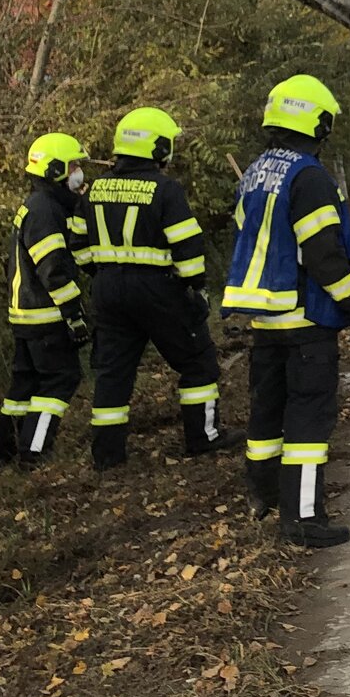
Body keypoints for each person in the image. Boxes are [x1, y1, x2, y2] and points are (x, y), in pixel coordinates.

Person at [223, 74, 350, 548]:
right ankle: (304, 517)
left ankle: (264, 499)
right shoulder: (308, 177)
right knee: (309, 421)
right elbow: (323, 255)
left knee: (266, 415)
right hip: (306, 318)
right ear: (317, 122)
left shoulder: (255, 171)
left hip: (265, 318)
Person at [86, 106, 232, 468]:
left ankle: (107, 456)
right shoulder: (164, 189)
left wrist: (102, 277)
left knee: (113, 373)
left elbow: (78, 242)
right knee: (197, 362)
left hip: (106, 289)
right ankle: (203, 437)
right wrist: (195, 290)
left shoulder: (96, 189)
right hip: (156, 291)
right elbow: (187, 245)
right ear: (156, 147)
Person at [0, 132, 93, 468]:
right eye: (73, 165)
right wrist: (74, 314)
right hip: (45, 315)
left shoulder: (40, 204)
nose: (79, 172)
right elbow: (53, 269)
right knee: (59, 381)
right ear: (55, 171)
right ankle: (34, 453)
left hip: (26, 314)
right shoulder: (44, 211)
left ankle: (5, 451)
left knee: (24, 386)